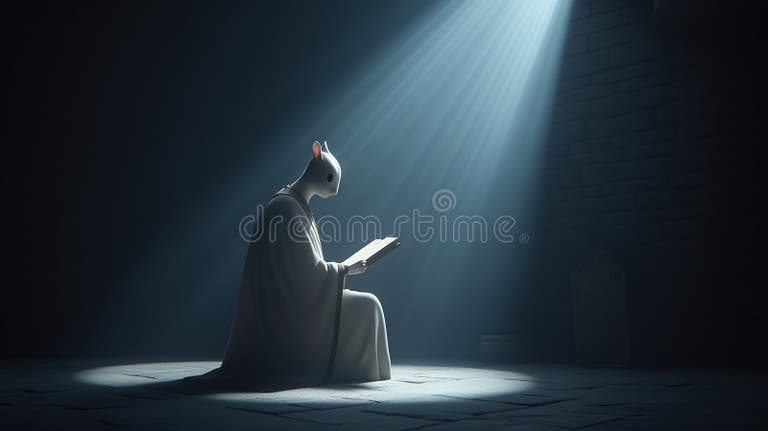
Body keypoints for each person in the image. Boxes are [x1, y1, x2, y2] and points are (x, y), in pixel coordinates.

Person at [219, 140, 391, 388]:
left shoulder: (295, 205)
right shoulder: (286, 208)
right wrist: (344, 270)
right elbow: (304, 274)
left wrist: (338, 271)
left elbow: (305, 269)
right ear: (316, 161)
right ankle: (354, 372)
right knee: (367, 306)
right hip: (290, 316)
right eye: (331, 178)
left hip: (304, 302)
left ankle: (363, 372)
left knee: (369, 305)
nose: (335, 189)